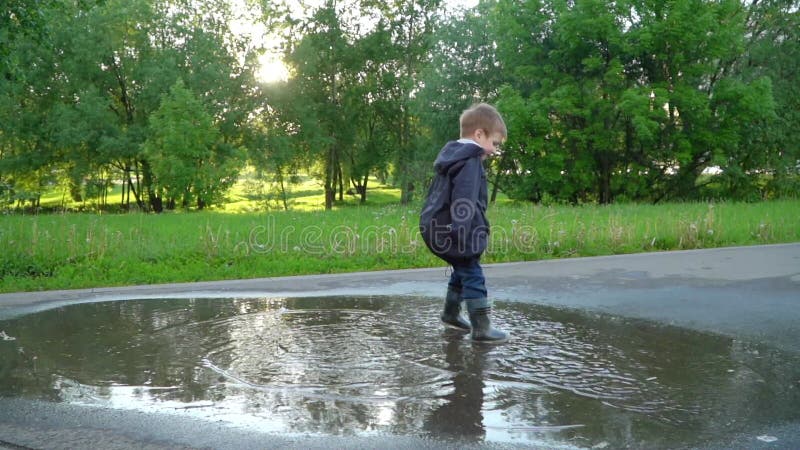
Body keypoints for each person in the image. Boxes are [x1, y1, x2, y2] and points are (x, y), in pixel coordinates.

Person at [419, 103, 508, 344]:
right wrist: (461, 232)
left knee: (463, 267)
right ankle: (481, 328)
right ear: (479, 134)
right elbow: (464, 200)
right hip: (455, 228)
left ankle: (450, 314)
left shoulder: (454, 157)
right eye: (495, 144)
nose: (494, 151)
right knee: (472, 270)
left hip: (437, 226)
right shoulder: (469, 162)